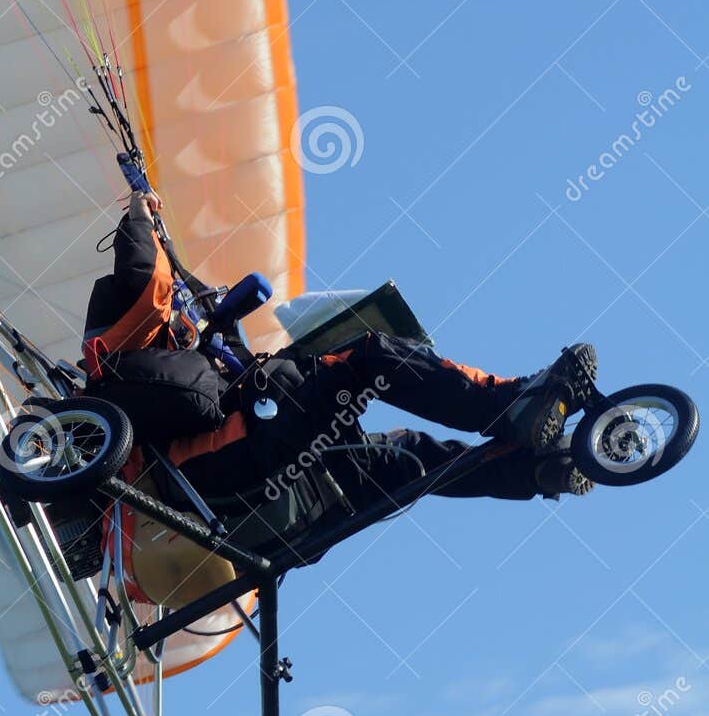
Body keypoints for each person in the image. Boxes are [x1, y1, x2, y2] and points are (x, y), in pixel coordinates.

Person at [83, 191, 598, 555]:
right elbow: (144, 276)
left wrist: (219, 323)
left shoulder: (184, 362)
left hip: (272, 481)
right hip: (243, 461)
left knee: (407, 458)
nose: (179, 316)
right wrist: (138, 210)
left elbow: (217, 365)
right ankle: (508, 406)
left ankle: (537, 468)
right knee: (366, 355)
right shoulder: (123, 354)